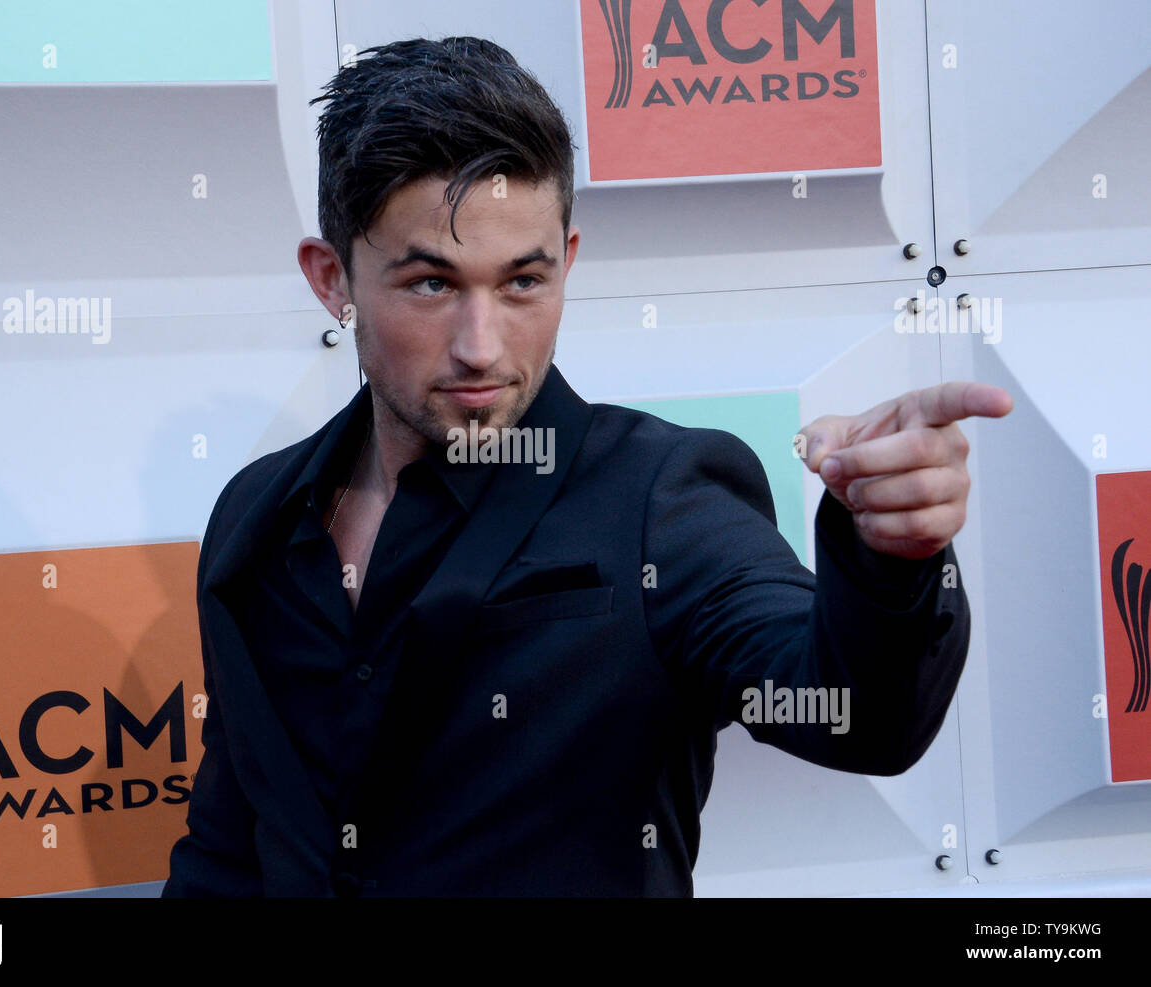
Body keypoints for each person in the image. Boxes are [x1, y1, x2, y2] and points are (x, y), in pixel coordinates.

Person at [162, 36, 1012, 897]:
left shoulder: (659, 496)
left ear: (566, 262)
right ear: (331, 280)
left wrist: (889, 561)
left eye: (522, 283)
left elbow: (854, 716)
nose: (481, 346)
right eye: (431, 285)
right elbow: (227, 847)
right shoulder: (257, 517)